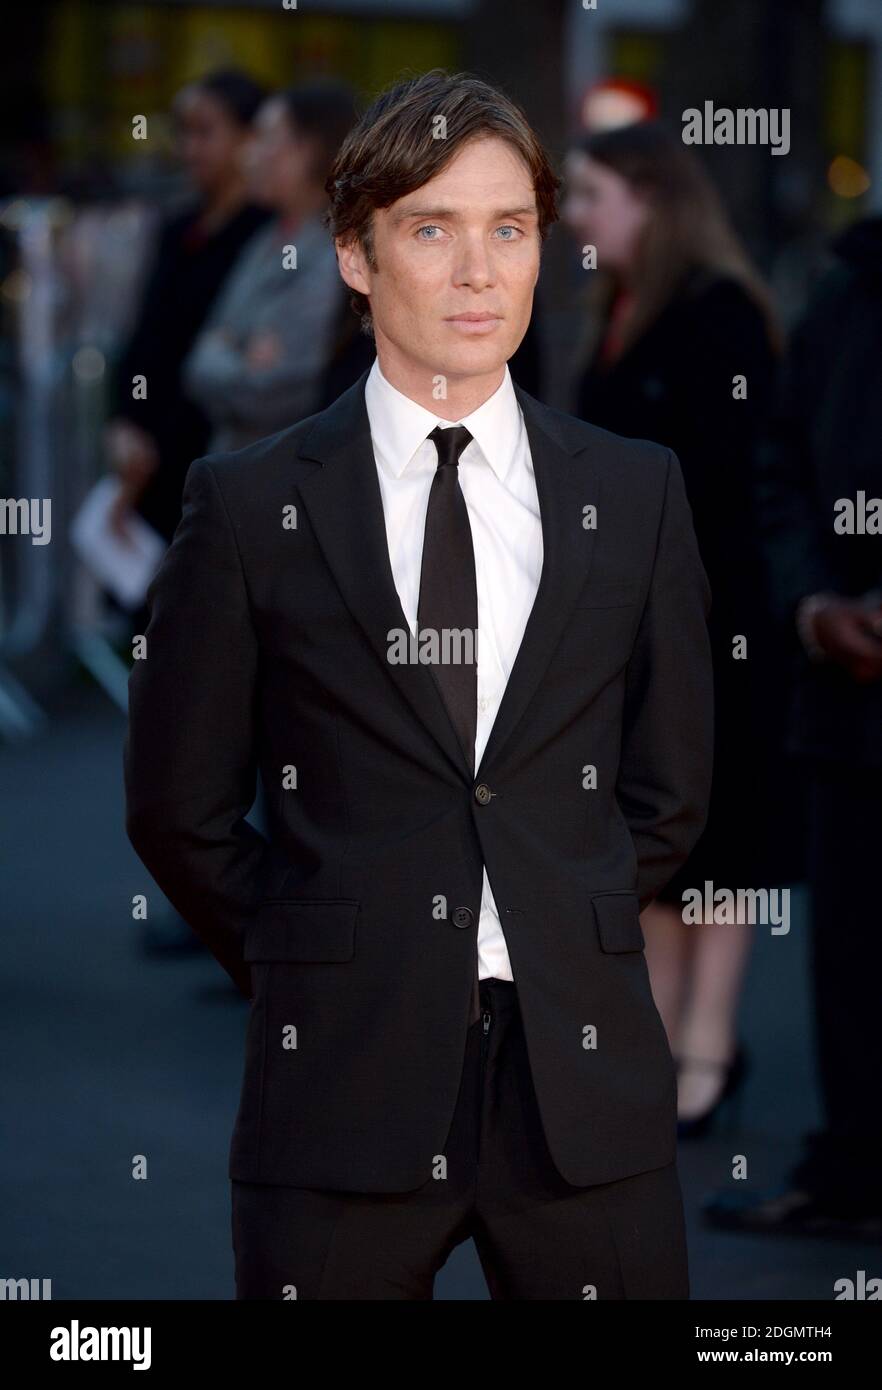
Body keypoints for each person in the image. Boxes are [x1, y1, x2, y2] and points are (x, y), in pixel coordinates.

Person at [124, 69, 713, 1300]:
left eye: (509, 229)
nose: (477, 272)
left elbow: (671, 785)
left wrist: (566, 922)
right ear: (353, 253)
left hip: (583, 1090)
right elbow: (176, 806)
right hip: (339, 1082)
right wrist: (316, 957)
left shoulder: (635, 490)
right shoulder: (249, 506)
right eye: (431, 229)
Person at [562, 120, 797, 1134]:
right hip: (628, 616)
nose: (573, 215)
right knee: (651, 833)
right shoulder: (615, 308)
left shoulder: (721, 314)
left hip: (717, 618)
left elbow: (740, 487)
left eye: (589, 194)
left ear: (650, 198)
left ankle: (707, 1042)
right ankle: (661, 1038)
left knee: (721, 837)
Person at [704, 215, 882, 1240]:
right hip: (846, 699)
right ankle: (850, 1169)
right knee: (850, 955)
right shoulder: (845, 293)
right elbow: (779, 468)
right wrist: (815, 604)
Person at [107, 69, 268, 546]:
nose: (189, 148)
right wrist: (125, 423)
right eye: (184, 132)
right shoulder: (177, 229)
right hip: (145, 460)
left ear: (247, 138)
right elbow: (145, 335)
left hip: (217, 460)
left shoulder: (265, 238)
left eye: (205, 132)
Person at [182, 82, 356, 453]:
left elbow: (277, 389)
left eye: (265, 138)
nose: (249, 153)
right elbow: (200, 356)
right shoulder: (265, 237)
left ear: (304, 151)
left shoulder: (333, 255)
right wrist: (236, 356)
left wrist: (227, 348)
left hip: (278, 476)